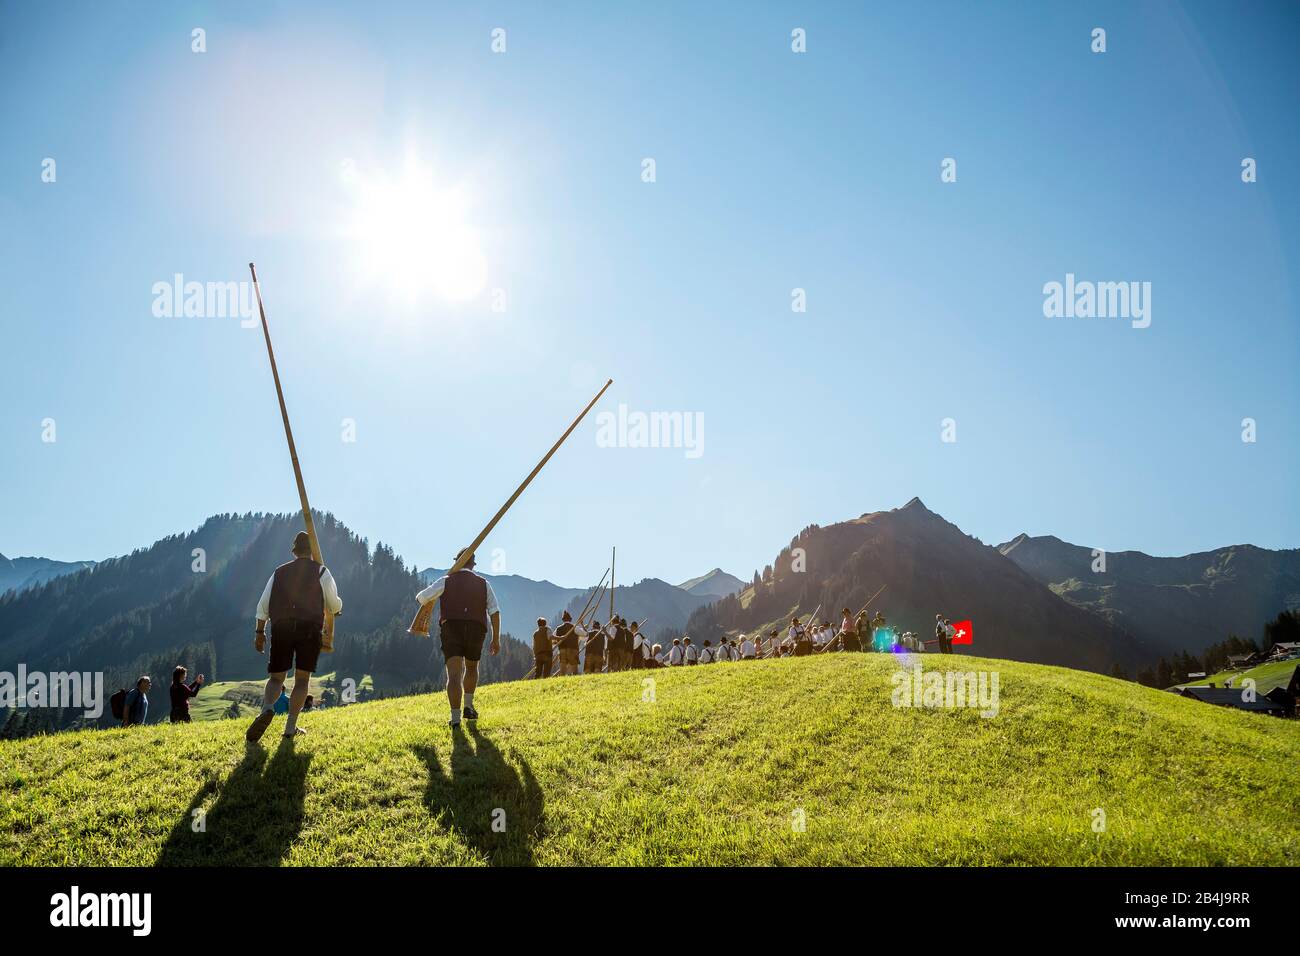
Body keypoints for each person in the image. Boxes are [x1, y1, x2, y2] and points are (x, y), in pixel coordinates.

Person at [248, 531, 344, 742]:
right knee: (302, 679)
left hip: (281, 626)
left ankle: (266, 710)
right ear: (312, 551)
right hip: (309, 629)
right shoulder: (321, 571)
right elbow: (333, 605)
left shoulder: (279, 572)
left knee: (276, 677)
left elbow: (263, 606)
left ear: (294, 551)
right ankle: (290, 727)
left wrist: (259, 632)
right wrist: (338, 606)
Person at [412, 548, 500, 728]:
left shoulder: (446, 580)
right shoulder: (484, 584)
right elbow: (494, 612)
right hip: (476, 627)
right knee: (472, 667)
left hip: (451, 627)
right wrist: (496, 638)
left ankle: (455, 718)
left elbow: (421, 598)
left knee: (453, 674)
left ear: (457, 562)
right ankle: (468, 706)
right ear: (473, 564)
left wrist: (444, 584)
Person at [555, 611, 581, 676]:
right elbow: (585, 635)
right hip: (573, 650)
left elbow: (553, 640)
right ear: (570, 619)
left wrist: (557, 642)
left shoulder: (558, 629)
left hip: (562, 650)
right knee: (574, 670)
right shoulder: (574, 627)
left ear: (563, 620)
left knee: (562, 670)